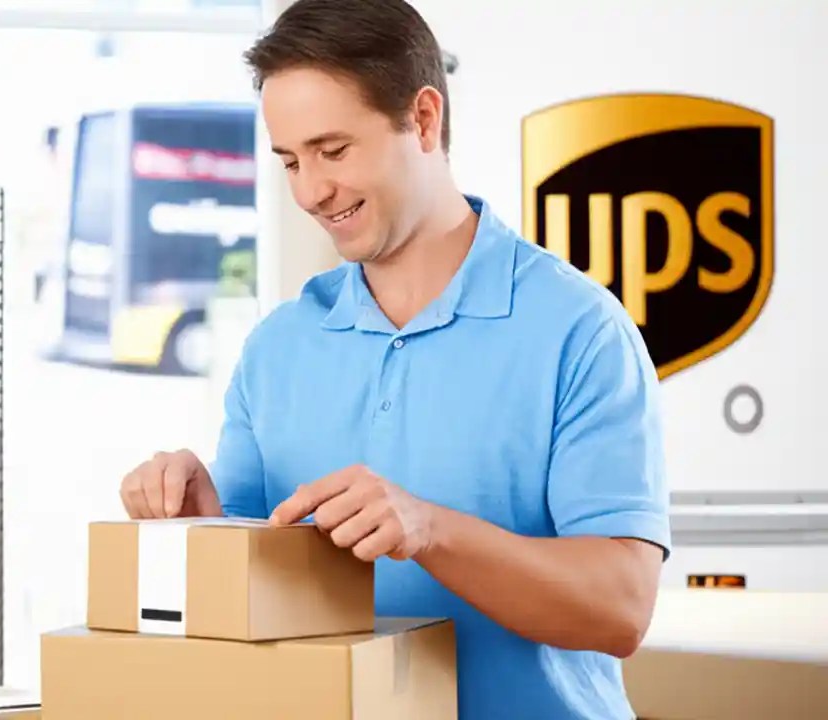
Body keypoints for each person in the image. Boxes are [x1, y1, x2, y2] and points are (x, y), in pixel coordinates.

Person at [119, 1, 670, 718]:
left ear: (425, 120)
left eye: (334, 150)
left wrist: (431, 530)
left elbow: (621, 610)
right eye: (290, 160)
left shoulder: (579, 330)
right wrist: (202, 522)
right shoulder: (279, 347)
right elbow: (254, 595)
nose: (311, 191)